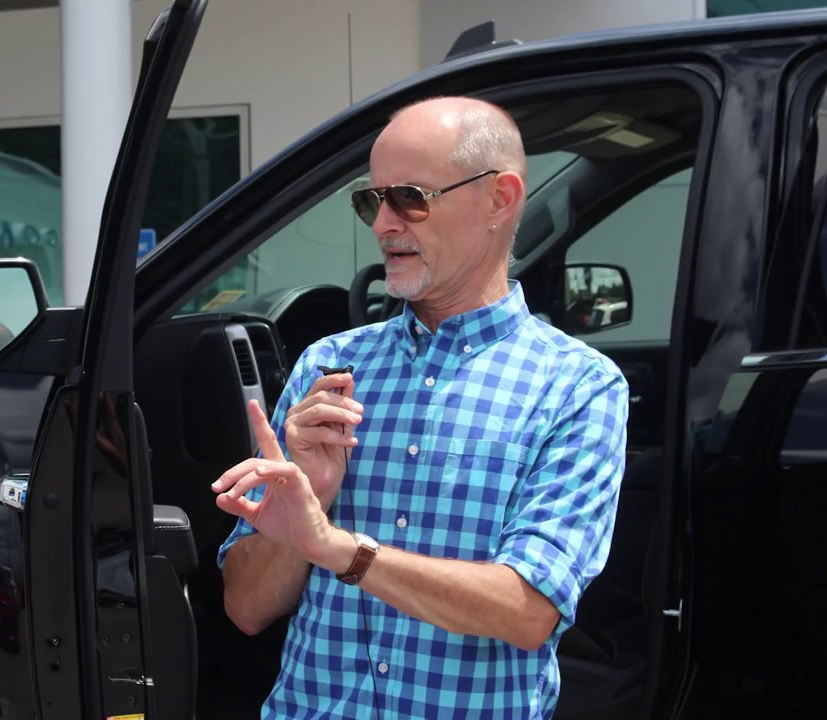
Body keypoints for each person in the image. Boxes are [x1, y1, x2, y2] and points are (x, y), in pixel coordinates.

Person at [213, 96, 629, 719]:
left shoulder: (577, 386)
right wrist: (311, 499)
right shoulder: (327, 368)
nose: (384, 224)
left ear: (500, 199)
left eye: (409, 197)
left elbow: (527, 611)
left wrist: (337, 547)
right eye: (369, 200)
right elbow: (245, 608)